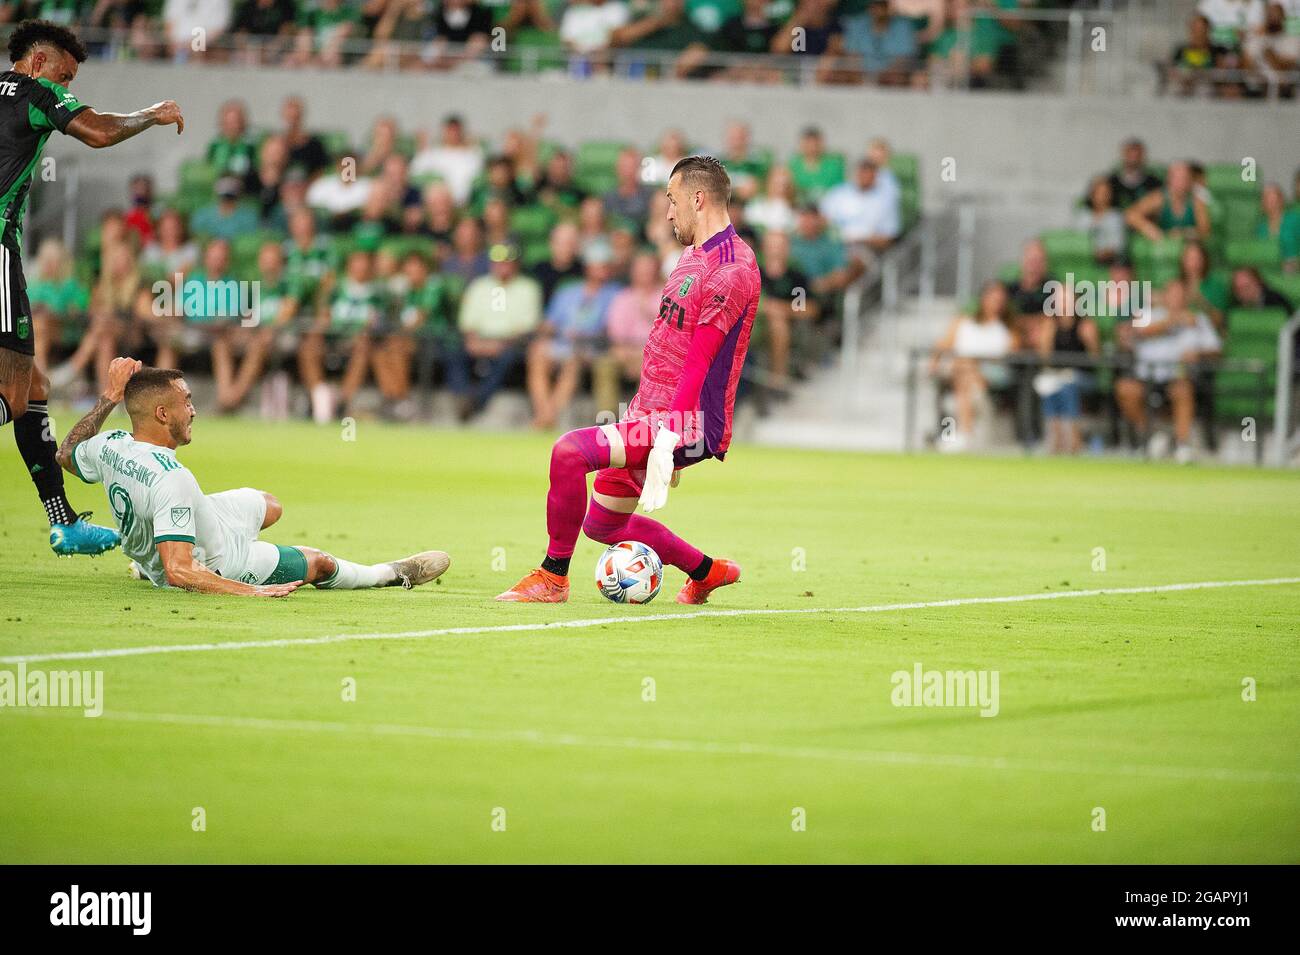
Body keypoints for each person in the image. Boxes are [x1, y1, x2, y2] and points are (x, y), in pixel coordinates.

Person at [497, 156, 761, 605]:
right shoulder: (692, 254)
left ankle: (552, 578)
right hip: (649, 410)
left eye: (672, 201)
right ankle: (707, 571)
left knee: (568, 453)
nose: (669, 212)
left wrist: (668, 441)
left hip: (688, 421)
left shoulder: (732, 269)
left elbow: (699, 362)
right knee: (603, 525)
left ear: (698, 198)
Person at [1, 18, 183, 557]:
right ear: (38, 62)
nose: (68, 84)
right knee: (12, 395)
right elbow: (99, 131)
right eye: (65, 72)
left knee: (34, 387)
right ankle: (65, 525)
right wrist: (151, 113)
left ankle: (63, 522)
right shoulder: (36, 93)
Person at [57, 360, 450, 595]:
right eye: (187, 402)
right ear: (162, 414)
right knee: (321, 563)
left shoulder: (109, 443)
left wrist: (109, 396)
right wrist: (253, 591)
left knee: (270, 505)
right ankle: (389, 574)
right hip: (220, 561)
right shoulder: (172, 479)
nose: (193, 411)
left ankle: (146, 557)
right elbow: (179, 572)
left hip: (203, 514)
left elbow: (66, 453)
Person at [928, 280, 1020, 452]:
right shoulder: (963, 321)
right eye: (993, 297)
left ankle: (963, 435)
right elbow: (944, 344)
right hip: (961, 373)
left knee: (965, 370)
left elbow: (1008, 356)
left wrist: (974, 365)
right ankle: (965, 433)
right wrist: (934, 362)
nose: (996, 302)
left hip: (990, 376)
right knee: (964, 375)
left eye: (1000, 299)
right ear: (983, 299)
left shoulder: (1009, 329)